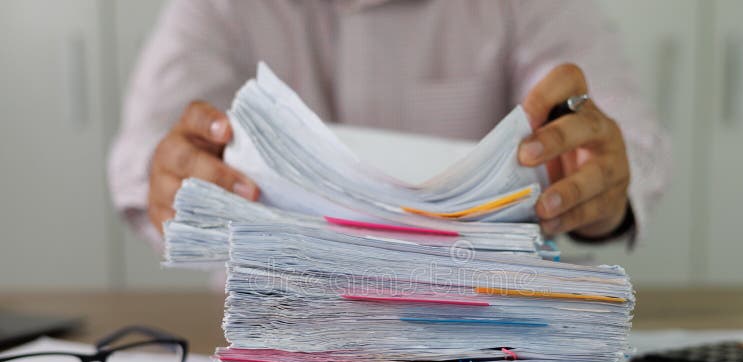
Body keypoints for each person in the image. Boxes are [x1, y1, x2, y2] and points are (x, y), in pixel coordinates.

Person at [108, 0, 669, 249]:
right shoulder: (219, 6)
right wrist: (170, 178)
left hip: (483, 334)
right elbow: (147, 150)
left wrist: (599, 189)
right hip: (276, 334)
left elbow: (623, 139)